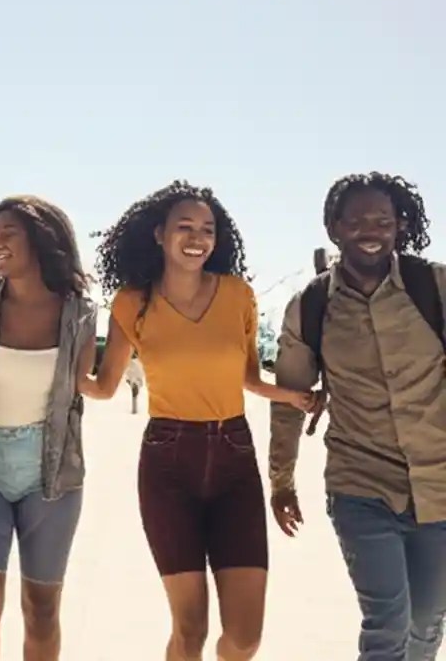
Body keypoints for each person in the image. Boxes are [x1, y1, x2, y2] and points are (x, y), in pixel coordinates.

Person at [78, 181, 317, 661]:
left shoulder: (237, 295)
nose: (197, 237)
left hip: (234, 459)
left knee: (244, 638)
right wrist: (57, 366)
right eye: (184, 226)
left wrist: (292, 395)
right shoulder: (132, 302)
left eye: (207, 229)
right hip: (167, 465)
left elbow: (249, 376)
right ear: (159, 234)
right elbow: (103, 387)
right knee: (190, 630)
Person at [269, 172, 446, 660]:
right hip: (360, 483)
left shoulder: (433, 287)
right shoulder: (311, 305)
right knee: (387, 621)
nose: (370, 230)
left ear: (399, 226)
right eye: (356, 220)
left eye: (383, 220)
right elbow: (289, 398)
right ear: (334, 228)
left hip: (439, 484)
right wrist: (281, 480)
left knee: (427, 623)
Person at [0, 195, 97, 661]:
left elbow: (90, 387)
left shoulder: (80, 313)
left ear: (41, 239)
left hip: (52, 476)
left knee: (43, 610)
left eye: (8, 232)